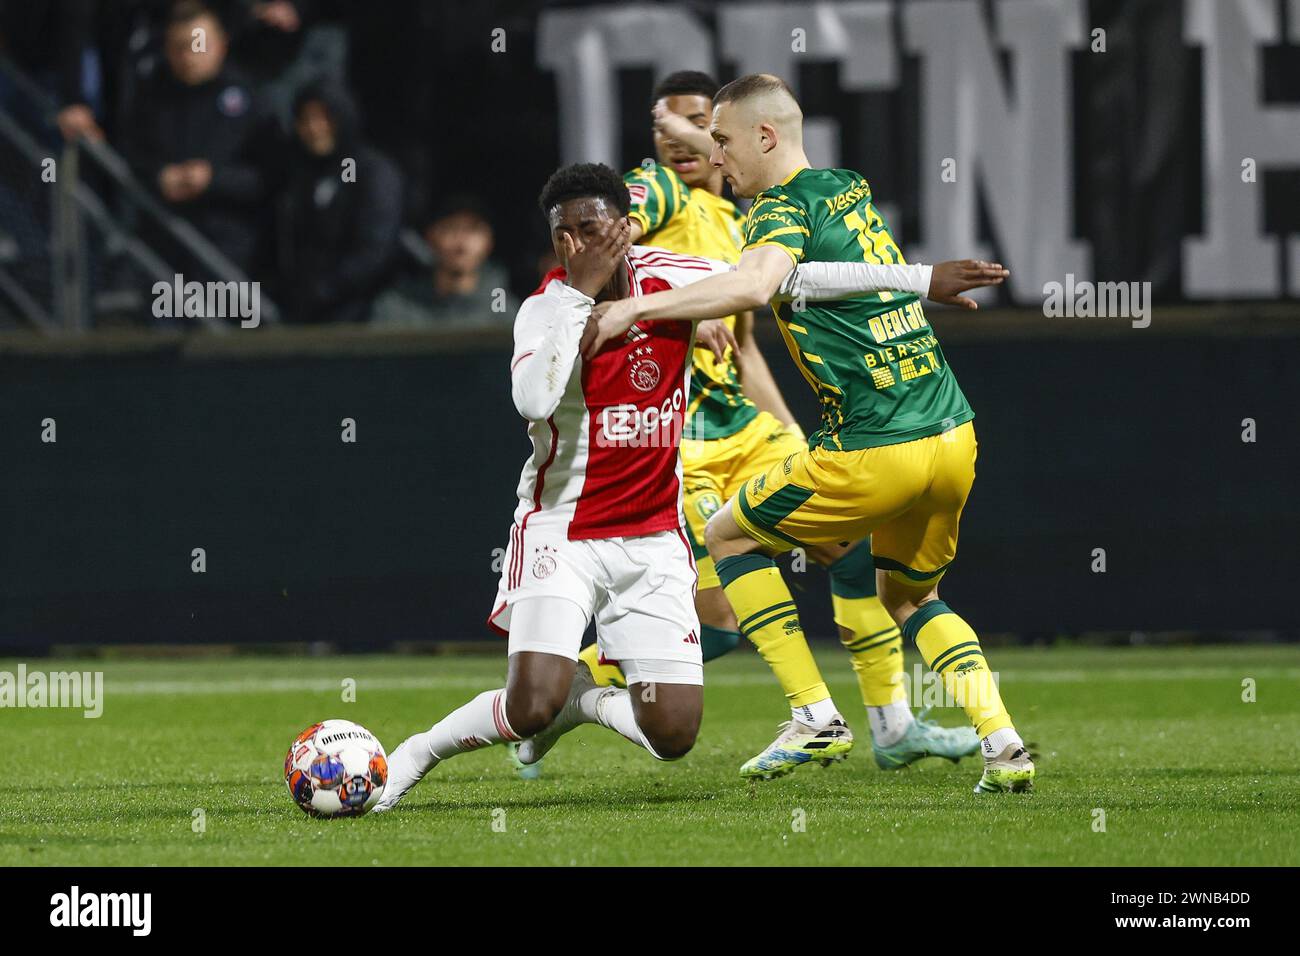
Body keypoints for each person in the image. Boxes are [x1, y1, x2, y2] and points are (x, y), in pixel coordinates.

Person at [374, 162, 981, 810]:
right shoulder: (545, 308)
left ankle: (586, 701)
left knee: (672, 734)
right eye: (563, 234)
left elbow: (788, 280)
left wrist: (922, 280)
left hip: (654, 539)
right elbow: (532, 397)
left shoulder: (677, 279)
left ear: (625, 227)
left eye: (591, 227)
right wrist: (580, 296)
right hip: (564, 530)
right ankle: (415, 753)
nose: (577, 243)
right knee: (529, 705)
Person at [583, 74, 1032, 794]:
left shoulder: (777, 210)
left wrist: (632, 312)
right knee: (912, 598)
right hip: (952, 433)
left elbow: (758, 285)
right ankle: (1003, 745)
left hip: (875, 445)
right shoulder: (845, 189)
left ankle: (814, 716)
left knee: (729, 538)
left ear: (763, 138)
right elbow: (821, 276)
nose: (717, 157)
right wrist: (923, 278)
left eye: (724, 141)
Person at [122, 0, 279, 277]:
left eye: (198, 44)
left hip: (230, 253)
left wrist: (213, 179)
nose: (189, 55)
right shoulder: (151, 97)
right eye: (180, 46)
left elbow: (272, 176)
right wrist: (159, 177)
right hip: (162, 251)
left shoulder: (251, 101)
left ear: (222, 43)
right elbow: (129, 156)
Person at [275, 81, 403, 324]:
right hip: (303, 313)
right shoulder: (298, 174)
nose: (314, 128)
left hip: (361, 313)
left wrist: (325, 289)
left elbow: (376, 249)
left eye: (324, 118)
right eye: (306, 120)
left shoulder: (373, 171)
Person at [371, 198, 517, 327]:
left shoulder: (505, 312)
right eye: (450, 228)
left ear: (489, 241)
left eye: (473, 230)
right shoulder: (397, 307)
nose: (461, 243)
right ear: (430, 238)